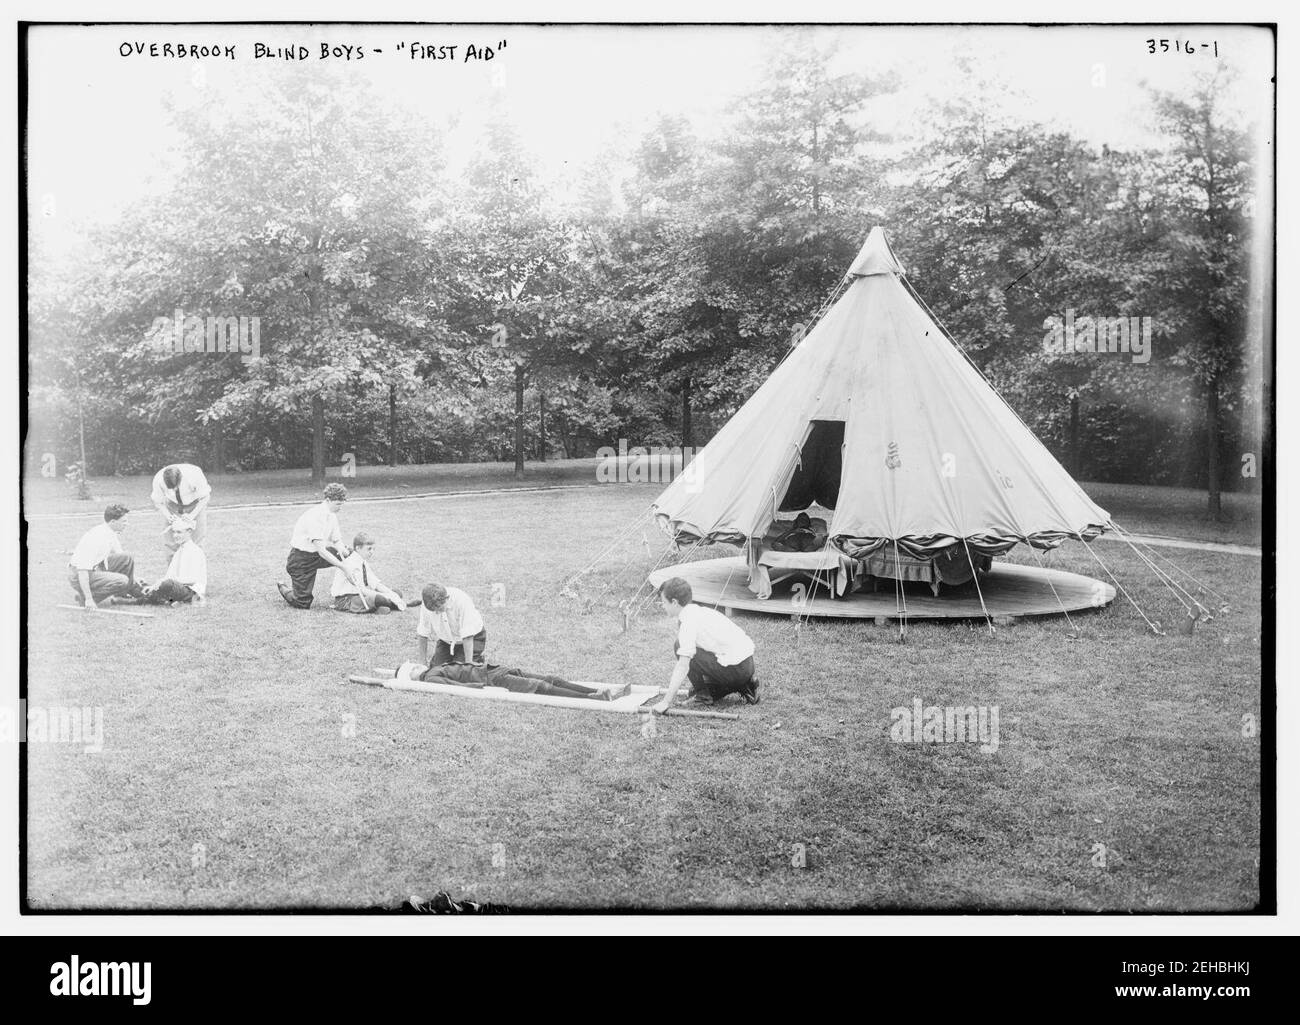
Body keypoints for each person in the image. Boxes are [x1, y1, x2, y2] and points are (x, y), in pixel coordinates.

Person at [652, 576, 760, 712]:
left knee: (679, 646)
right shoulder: (699, 611)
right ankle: (744, 685)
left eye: (663, 602)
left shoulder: (688, 621)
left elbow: (683, 665)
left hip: (736, 670)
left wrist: (665, 701)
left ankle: (705, 696)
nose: (662, 606)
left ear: (674, 602)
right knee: (694, 690)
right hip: (747, 665)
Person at [277, 483, 356, 609]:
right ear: (328, 500)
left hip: (317, 555)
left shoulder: (332, 515)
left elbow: (336, 540)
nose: (340, 507)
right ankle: (283, 587)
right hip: (301, 560)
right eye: (338, 504)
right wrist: (344, 568)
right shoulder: (315, 516)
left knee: (352, 554)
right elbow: (322, 551)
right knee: (302, 603)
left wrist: (342, 549)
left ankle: (350, 592)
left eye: (342, 504)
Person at [392, 660, 626, 701]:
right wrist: (481, 688)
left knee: (550, 678)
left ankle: (596, 690)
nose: (417, 666)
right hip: (491, 679)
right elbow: (457, 686)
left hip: (494, 670)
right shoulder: (431, 677)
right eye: (413, 668)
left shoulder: (433, 668)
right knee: (542, 687)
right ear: (412, 677)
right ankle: (593, 697)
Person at [67, 503, 145, 608]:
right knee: (122, 581)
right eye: (124, 521)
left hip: (94, 569)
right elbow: (82, 571)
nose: (127, 524)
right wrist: (89, 599)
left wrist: (134, 578)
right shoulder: (96, 538)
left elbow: (121, 556)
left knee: (127, 558)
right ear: (113, 522)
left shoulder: (110, 532)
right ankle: (86, 598)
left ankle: (123, 595)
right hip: (78, 575)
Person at [331, 531, 417, 614]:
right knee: (379, 598)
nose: (372, 552)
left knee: (396, 592)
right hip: (346, 599)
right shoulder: (351, 563)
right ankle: (391, 604)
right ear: (358, 548)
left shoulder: (363, 562)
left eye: (373, 549)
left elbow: (376, 584)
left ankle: (389, 604)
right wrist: (386, 596)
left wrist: (391, 594)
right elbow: (362, 590)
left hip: (360, 595)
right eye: (369, 549)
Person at [416, 583, 487, 666]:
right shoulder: (426, 605)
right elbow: (423, 632)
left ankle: (478, 659)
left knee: (457, 672)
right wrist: (422, 662)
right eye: (433, 611)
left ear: (447, 599)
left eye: (438, 608)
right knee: (435, 671)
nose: (436, 613)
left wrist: (468, 664)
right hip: (447, 641)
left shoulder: (462, 600)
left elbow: (467, 634)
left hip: (473, 638)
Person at [142, 520, 208, 605]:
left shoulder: (195, 551)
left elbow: (193, 580)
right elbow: (169, 575)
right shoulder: (179, 551)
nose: (175, 535)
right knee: (149, 585)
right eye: (174, 532)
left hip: (191, 591)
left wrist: (166, 583)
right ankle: (160, 599)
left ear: (189, 532)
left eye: (179, 532)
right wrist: (154, 585)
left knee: (167, 584)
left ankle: (160, 599)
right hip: (178, 587)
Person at [150, 463, 212, 548]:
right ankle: (172, 560)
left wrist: (192, 515)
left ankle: (194, 560)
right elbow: (158, 501)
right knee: (170, 542)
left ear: (181, 478)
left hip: (195, 503)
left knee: (197, 541)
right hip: (172, 504)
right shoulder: (158, 479)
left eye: (176, 486)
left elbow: (205, 497)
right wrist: (168, 516)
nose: (174, 489)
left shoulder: (194, 474)